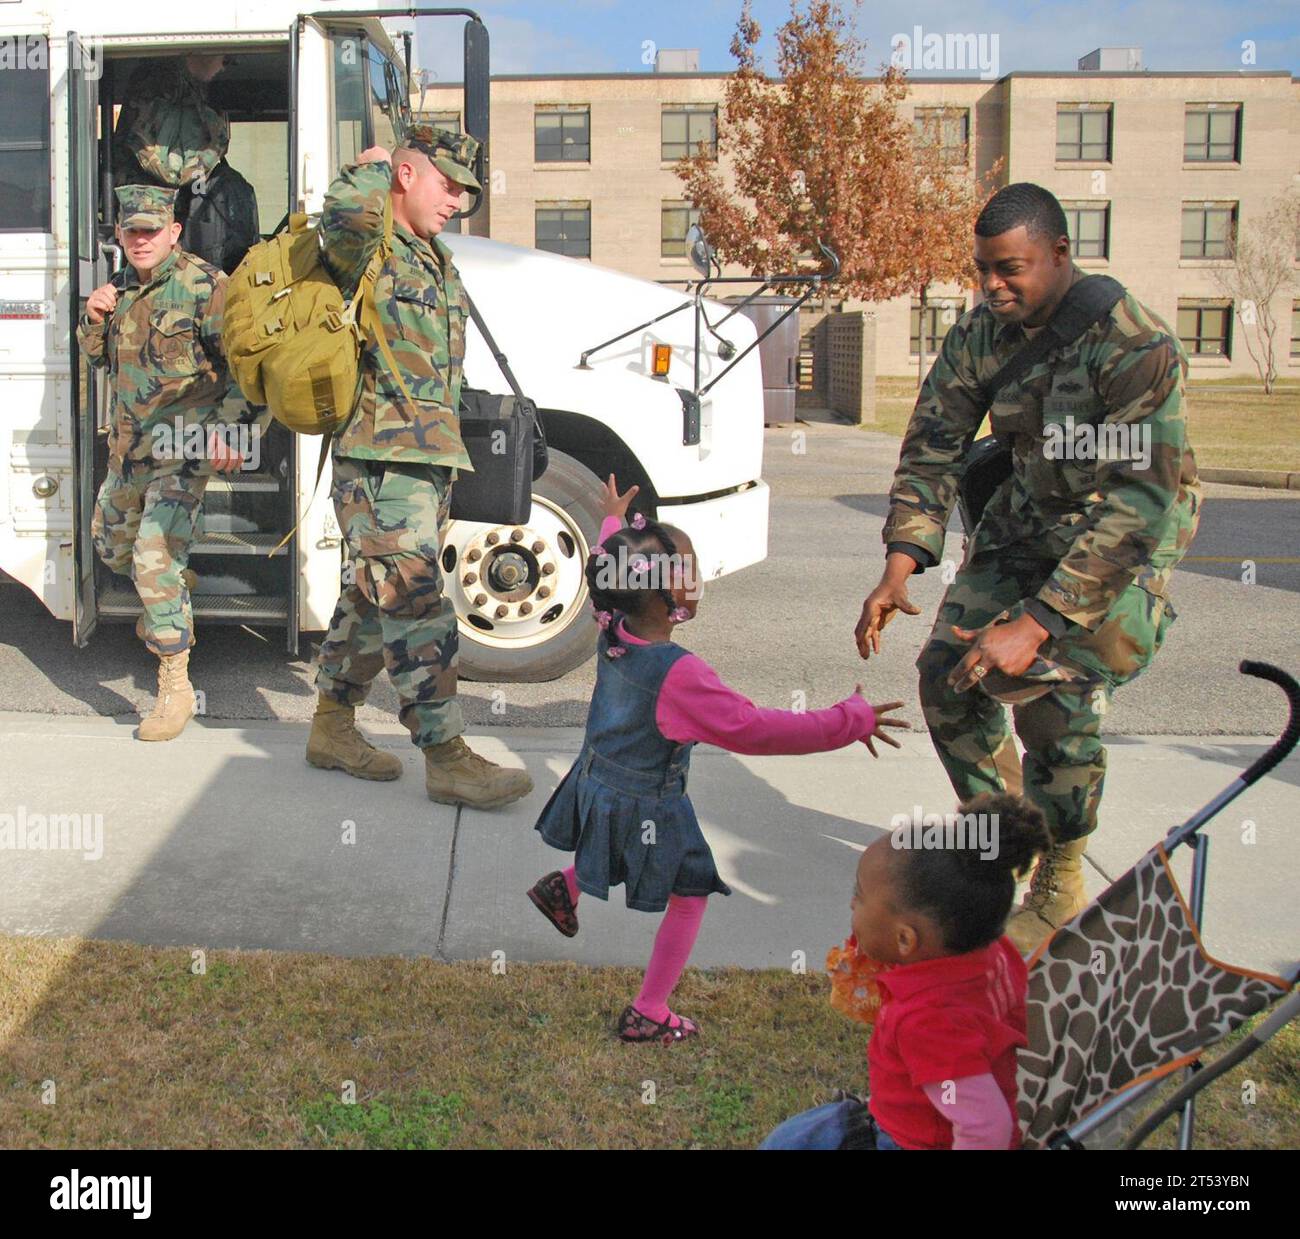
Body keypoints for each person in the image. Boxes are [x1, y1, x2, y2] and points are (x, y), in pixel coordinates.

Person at [855, 182, 1202, 954]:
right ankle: (1013, 833)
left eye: (1009, 268)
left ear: (1059, 254)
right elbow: (934, 440)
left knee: (1052, 698)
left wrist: (1040, 622)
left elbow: (1141, 502)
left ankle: (1061, 878)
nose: (991, 286)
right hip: (1028, 515)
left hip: (1121, 534)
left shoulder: (1134, 345)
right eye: (982, 269)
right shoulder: (983, 330)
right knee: (949, 679)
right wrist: (901, 562)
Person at [527, 477, 910, 1043]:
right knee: (690, 894)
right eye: (690, 571)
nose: (699, 578)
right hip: (651, 804)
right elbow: (757, 731)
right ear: (668, 598)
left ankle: (567, 887)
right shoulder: (680, 676)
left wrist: (612, 523)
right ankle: (649, 1010)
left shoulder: (612, 623)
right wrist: (848, 722)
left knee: (608, 847)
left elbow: (607, 572)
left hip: (599, 779)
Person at [306, 127, 533, 809]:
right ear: (406, 174)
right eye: (449, 183)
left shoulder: (433, 258)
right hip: (380, 459)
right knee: (413, 597)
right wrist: (373, 169)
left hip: (424, 457)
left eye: (468, 189)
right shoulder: (367, 242)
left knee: (373, 599)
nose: (459, 200)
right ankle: (447, 757)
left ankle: (330, 727)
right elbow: (340, 210)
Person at [760, 792, 1048, 1150]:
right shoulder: (990, 950)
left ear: (905, 939)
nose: (853, 902)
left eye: (860, 895)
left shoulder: (930, 1021)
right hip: (911, 1111)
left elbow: (987, 1127)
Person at [78, 184, 250, 741]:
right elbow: (102, 359)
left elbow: (245, 369)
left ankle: (174, 686)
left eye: (153, 230)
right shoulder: (123, 288)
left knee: (151, 555)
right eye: (132, 232)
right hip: (129, 449)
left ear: (174, 232)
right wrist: (93, 318)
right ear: (121, 236)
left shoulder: (207, 286)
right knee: (109, 546)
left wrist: (231, 430)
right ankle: (171, 587)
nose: (142, 240)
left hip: (184, 447)